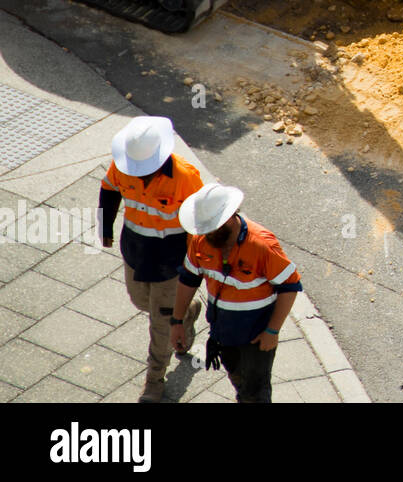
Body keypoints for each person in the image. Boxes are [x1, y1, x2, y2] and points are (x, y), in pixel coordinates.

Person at [98, 116, 205, 402]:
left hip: (171, 262)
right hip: (134, 252)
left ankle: (155, 378)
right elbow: (108, 189)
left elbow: (200, 222)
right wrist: (104, 226)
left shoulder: (186, 177)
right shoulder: (123, 165)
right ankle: (189, 312)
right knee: (141, 302)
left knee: (160, 322)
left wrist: (197, 264)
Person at [171, 184, 302, 403]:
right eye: (205, 228)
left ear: (231, 216)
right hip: (223, 330)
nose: (208, 233)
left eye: (214, 227)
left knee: (255, 391)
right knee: (236, 376)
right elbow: (188, 280)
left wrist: (272, 331)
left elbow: (289, 287)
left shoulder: (262, 245)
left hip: (257, 334)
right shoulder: (200, 241)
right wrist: (176, 321)